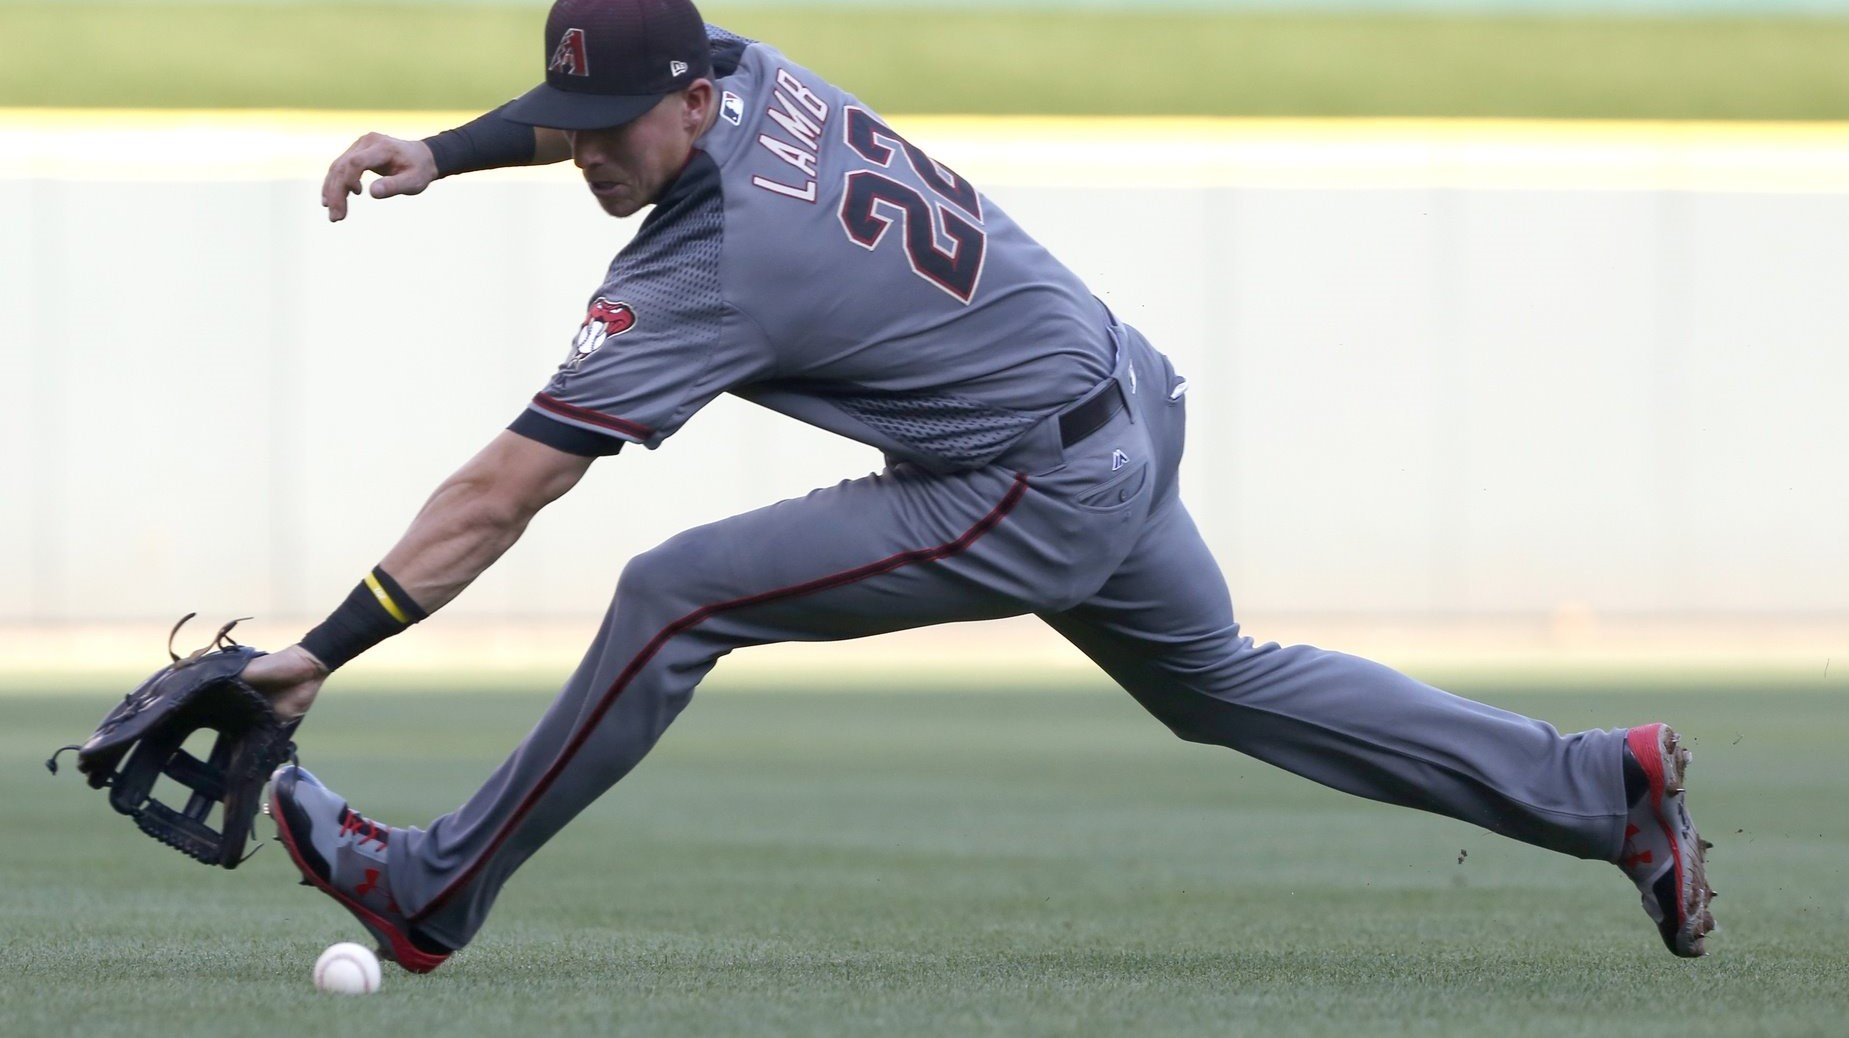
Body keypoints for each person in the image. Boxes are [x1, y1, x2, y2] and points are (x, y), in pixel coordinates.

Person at [243, 0, 1714, 973]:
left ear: (689, 104)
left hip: (1032, 480)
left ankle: (428, 889)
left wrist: (320, 650)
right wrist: (444, 151)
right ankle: (1602, 788)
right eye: (576, 108)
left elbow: (502, 494)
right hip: (1118, 393)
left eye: (619, 118)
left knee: (669, 594)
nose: (586, 146)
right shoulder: (750, 72)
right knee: (1220, 681)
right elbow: (591, 99)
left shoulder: (711, 262)